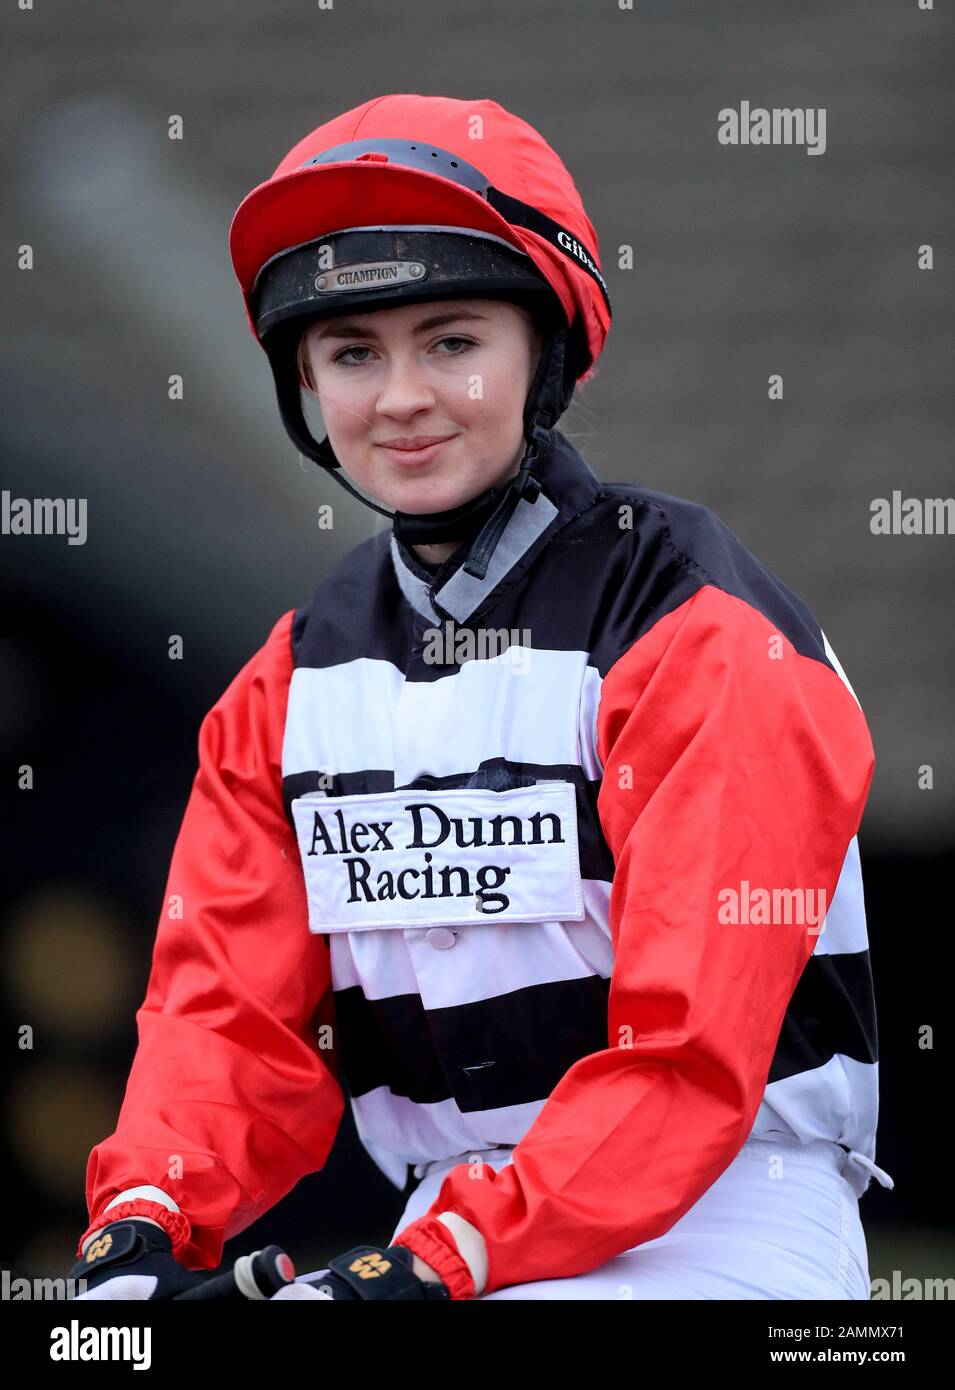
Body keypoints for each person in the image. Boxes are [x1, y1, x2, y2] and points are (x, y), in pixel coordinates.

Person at [69, 93, 892, 1303]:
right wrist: (147, 1215)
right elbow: (230, 1022)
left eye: (451, 341)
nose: (400, 397)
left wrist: (455, 1249)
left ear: (544, 351)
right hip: (446, 1228)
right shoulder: (284, 684)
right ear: (305, 386)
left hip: (719, 1213)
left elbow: (684, 1058)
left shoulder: (699, 630)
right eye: (352, 354)